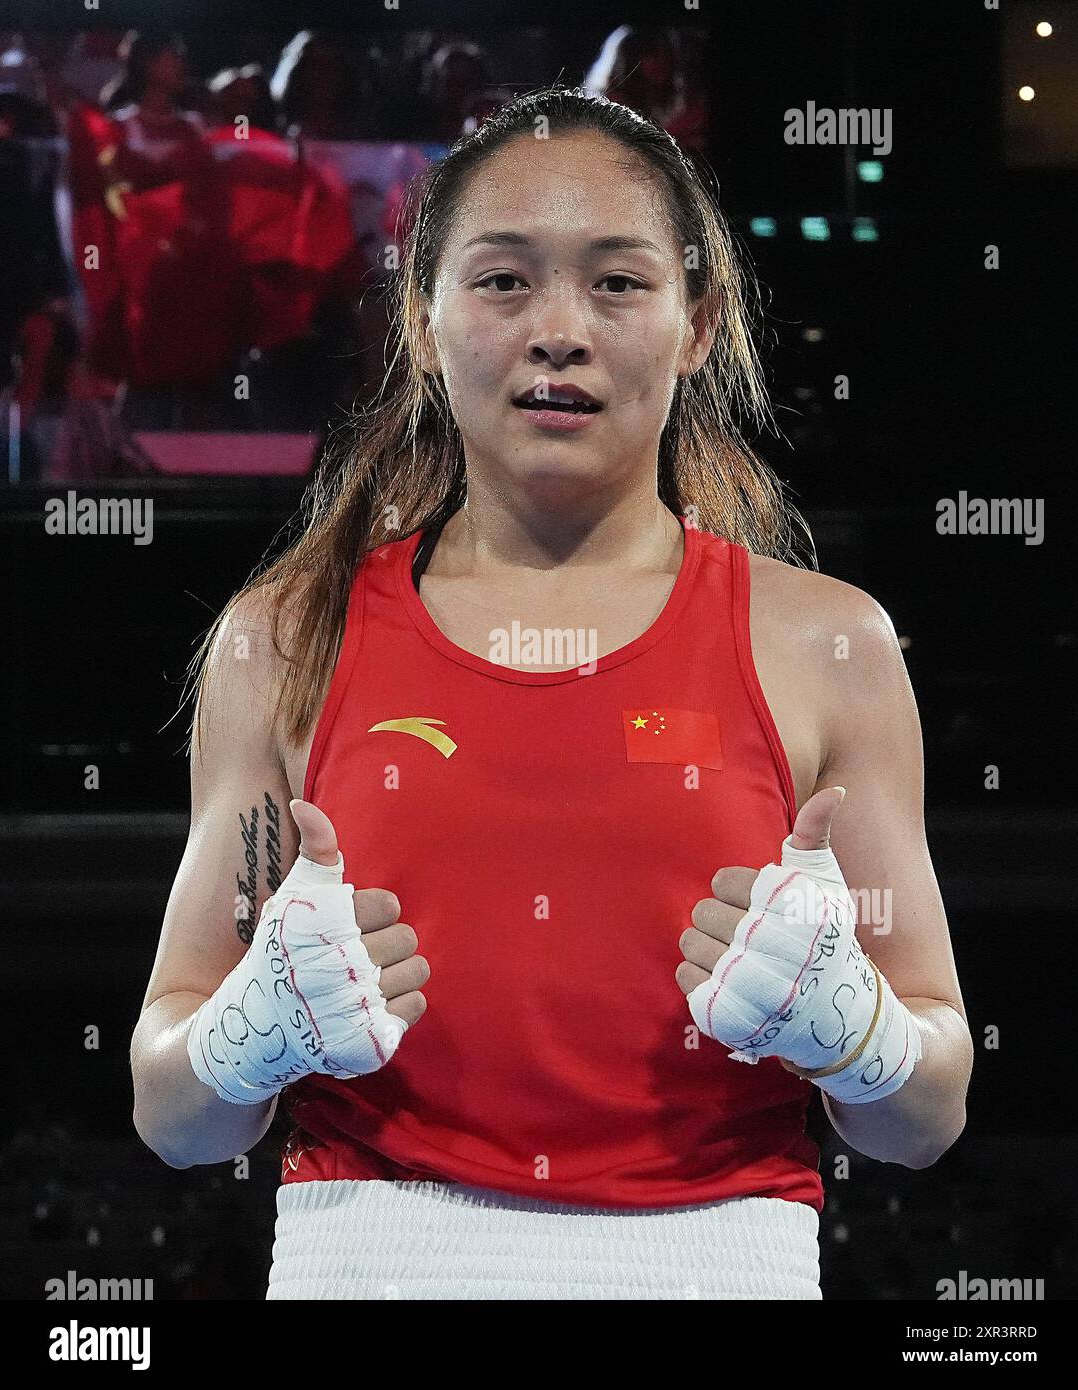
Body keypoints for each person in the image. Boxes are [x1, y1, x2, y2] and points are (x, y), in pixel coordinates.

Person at [130, 86, 972, 1300]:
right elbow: (174, 1115)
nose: (558, 330)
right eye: (503, 280)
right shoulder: (286, 641)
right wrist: (245, 1032)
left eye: (617, 282)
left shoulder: (826, 644)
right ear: (422, 323)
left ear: (697, 324)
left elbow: (922, 1115)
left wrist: (861, 1033)